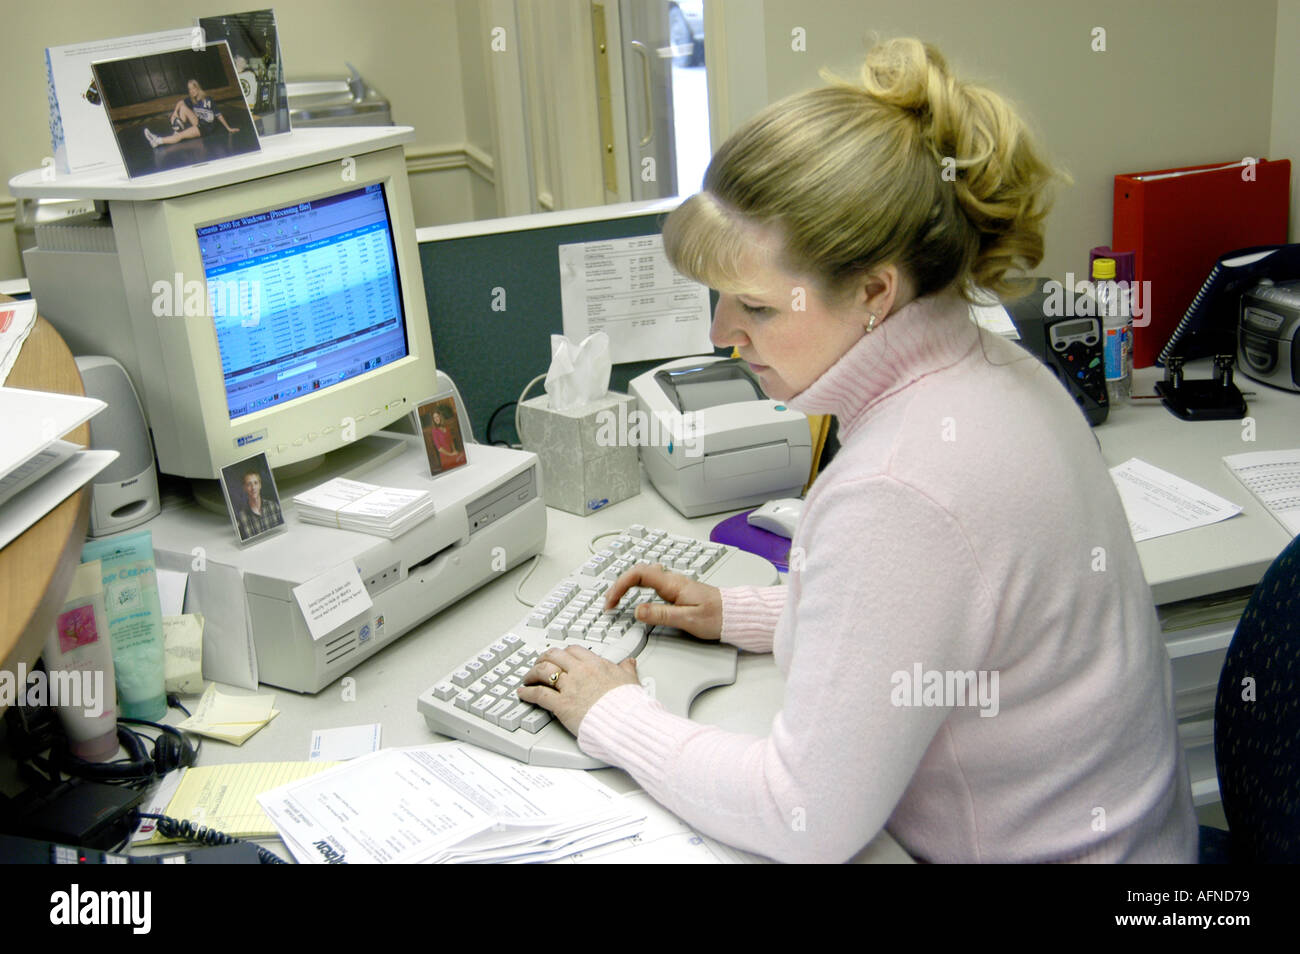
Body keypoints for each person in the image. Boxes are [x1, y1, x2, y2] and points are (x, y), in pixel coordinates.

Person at [516, 38, 1197, 863]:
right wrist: (742, 613)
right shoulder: (999, 370)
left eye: (758, 308)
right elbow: (942, 619)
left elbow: (803, 818)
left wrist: (612, 715)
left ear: (875, 292)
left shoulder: (900, 487)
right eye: (719, 296)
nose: (721, 335)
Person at [144, 79, 240, 148]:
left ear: (198, 88)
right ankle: (176, 131)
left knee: (180, 136)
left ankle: (157, 141)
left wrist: (228, 128)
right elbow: (180, 102)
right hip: (198, 122)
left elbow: (218, 115)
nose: (192, 91)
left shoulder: (208, 99)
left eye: (193, 88)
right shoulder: (192, 100)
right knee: (182, 107)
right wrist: (174, 113)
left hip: (205, 128)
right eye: (190, 89)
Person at [233, 469, 282, 540]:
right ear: (244, 488)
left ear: (260, 485)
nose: (253, 488)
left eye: (255, 483)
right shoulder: (241, 518)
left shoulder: (274, 506)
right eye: (249, 484)